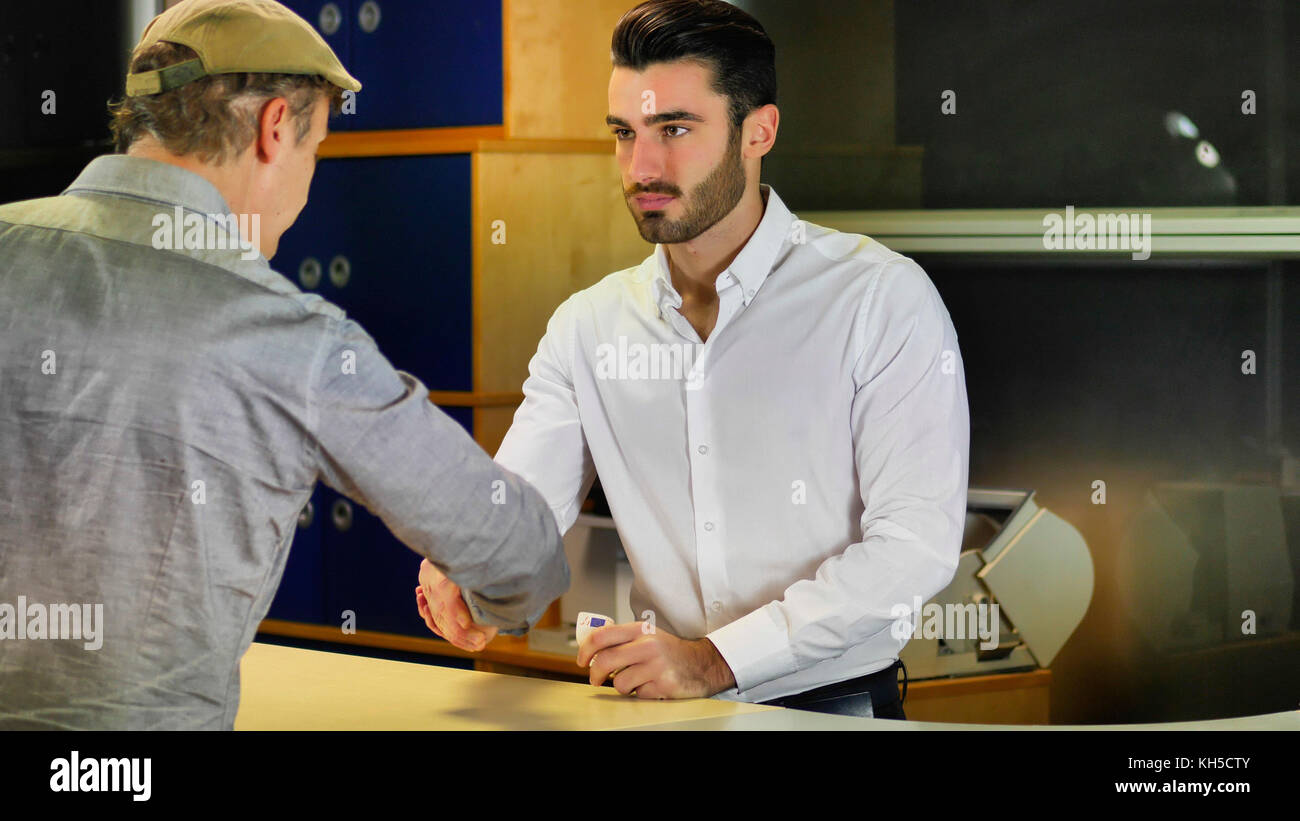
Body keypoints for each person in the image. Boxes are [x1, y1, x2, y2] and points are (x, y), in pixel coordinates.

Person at [0, 0, 566, 730]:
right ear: (274, 128)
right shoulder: (287, 336)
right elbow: (520, 554)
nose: (306, 188)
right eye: (316, 151)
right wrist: (482, 597)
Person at [414, 0, 970, 720]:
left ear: (758, 131)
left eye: (675, 129)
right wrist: (472, 569)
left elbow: (915, 549)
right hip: (663, 711)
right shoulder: (589, 327)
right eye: (625, 133)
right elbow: (519, 511)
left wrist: (715, 659)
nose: (641, 166)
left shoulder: (879, 299)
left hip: (832, 711)